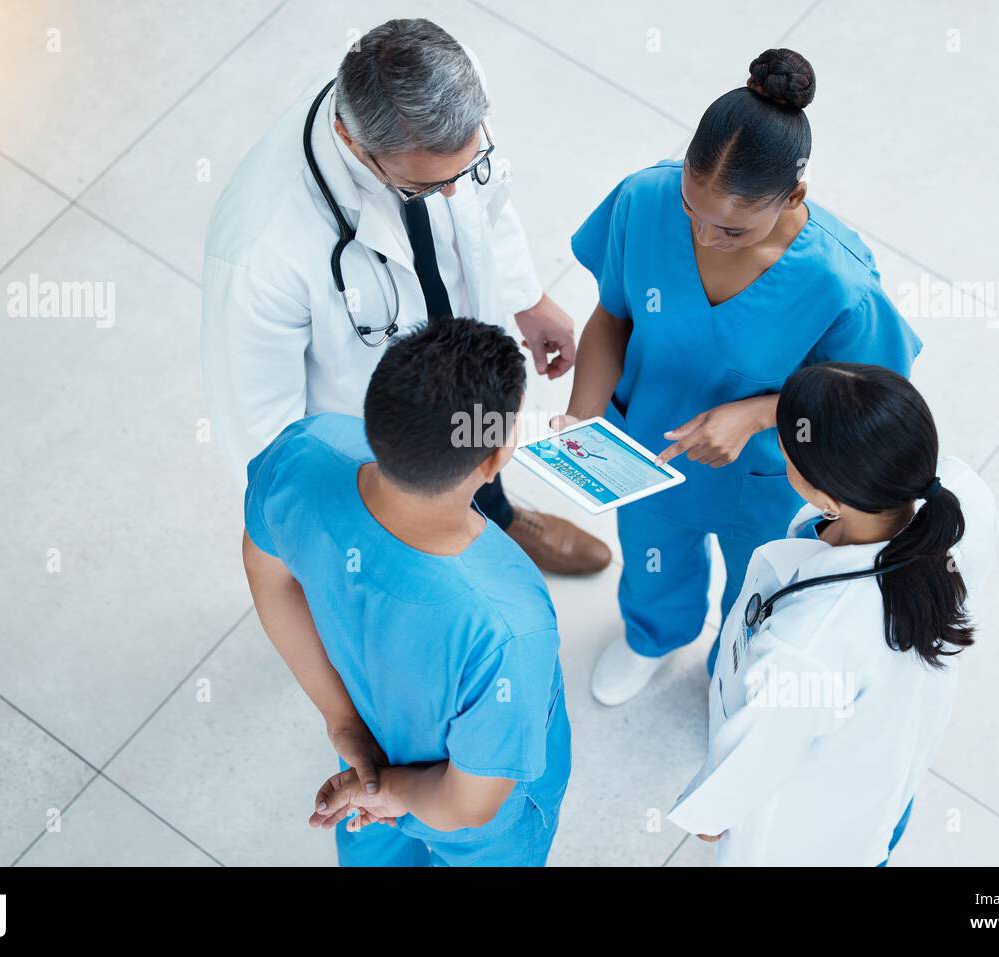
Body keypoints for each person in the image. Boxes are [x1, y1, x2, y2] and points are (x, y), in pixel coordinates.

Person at [559, 48, 924, 705]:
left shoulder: (839, 284)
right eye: (692, 210)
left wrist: (757, 414)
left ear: (793, 197)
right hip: (644, 441)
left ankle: (733, 668)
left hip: (766, 471)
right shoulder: (644, 200)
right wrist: (584, 414)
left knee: (758, 585)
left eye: (730, 227)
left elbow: (867, 404)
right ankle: (653, 635)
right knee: (651, 553)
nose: (703, 235)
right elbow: (612, 318)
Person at [205, 17, 610, 576]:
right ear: (352, 140)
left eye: (463, 168)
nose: (451, 191)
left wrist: (526, 296)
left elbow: (489, 198)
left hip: (455, 345)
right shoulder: (262, 250)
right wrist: (322, 542)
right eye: (424, 187)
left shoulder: (448, 90)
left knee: (477, 436)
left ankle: (496, 515)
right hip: (371, 430)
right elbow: (262, 432)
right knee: (410, 519)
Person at [242, 317, 571, 867]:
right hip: (474, 831)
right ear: (493, 459)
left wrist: (344, 723)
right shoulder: (508, 624)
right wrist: (389, 791)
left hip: (369, 756)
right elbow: (468, 805)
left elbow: (268, 577)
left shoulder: (304, 452)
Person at [666, 362, 997, 866]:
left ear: (827, 497)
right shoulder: (957, 494)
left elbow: (753, 764)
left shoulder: (807, 647)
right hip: (884, 758)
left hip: (804, 830)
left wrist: (710, 812)